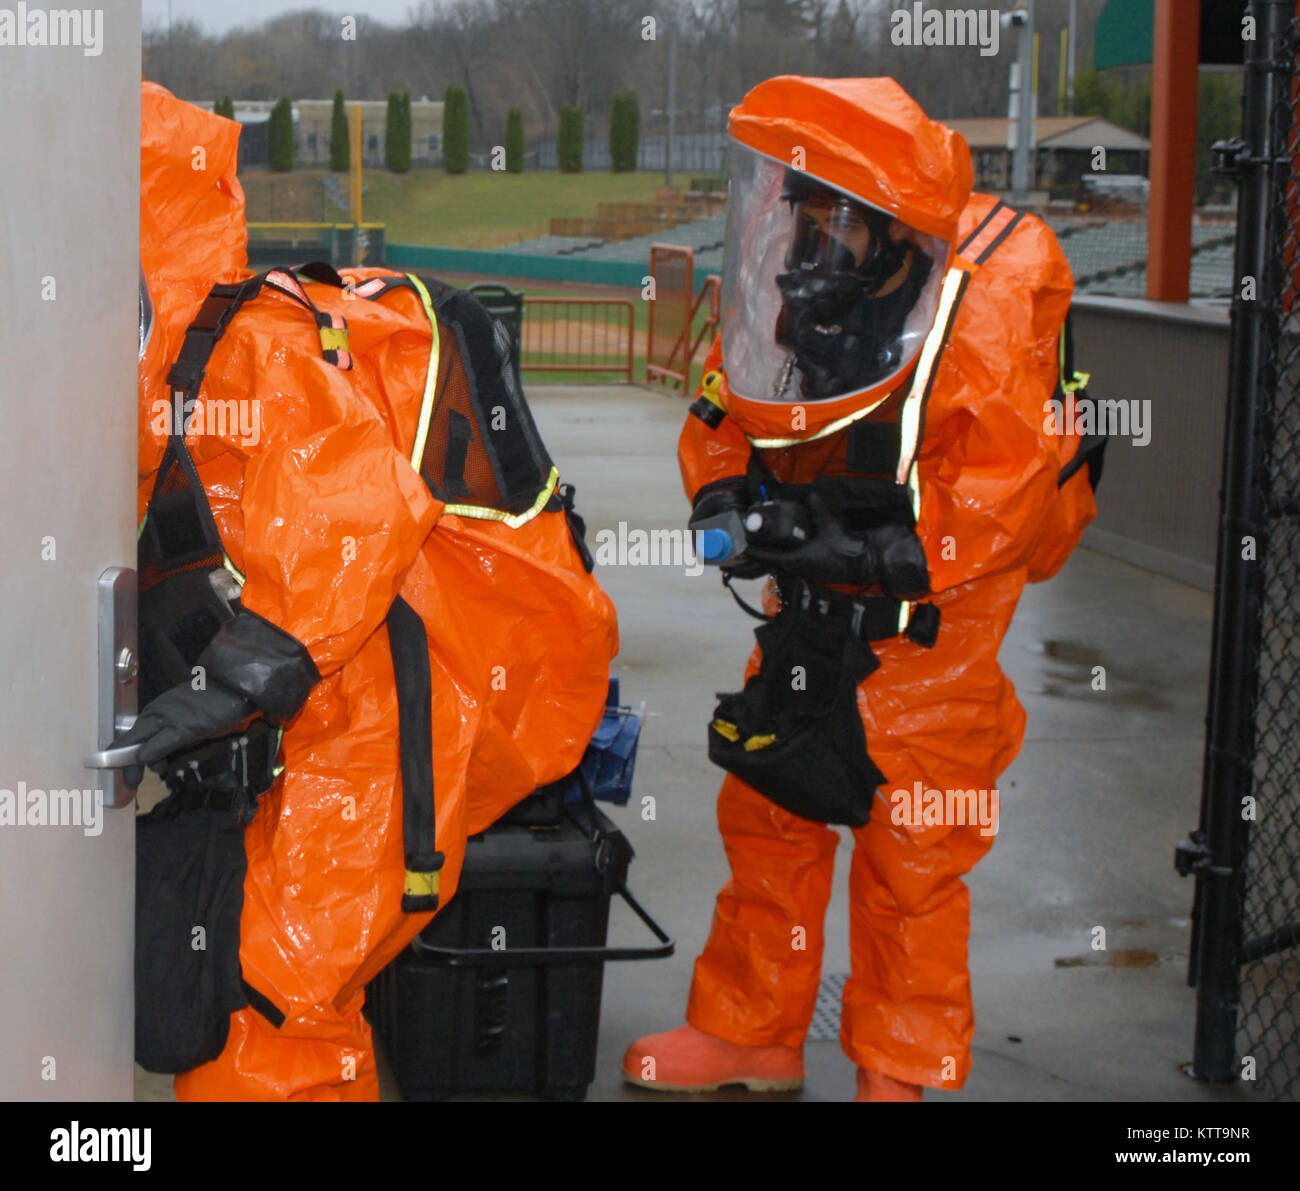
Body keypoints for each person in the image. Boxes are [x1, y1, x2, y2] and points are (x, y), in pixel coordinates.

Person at [130, 82, 618, 1100]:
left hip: (383, 721)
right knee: (256, 984)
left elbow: (356, 513)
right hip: (302, 721)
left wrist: (241, 674)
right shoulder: (149, 371)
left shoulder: (251, 352)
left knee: (274, 994)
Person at [623, 76, 1102, 1102]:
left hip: (931, 635)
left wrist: (858, 545)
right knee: (769, 821)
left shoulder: (985, 300)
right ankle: (752, 1034)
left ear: (893, 223)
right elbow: (720, 416)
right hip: (808, 616)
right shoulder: (792, 281)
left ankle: (897, 1068)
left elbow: (1001, 497)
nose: (810, 232)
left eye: (834, 212)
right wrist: (731, 506)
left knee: (912, 861)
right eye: (802, 206)